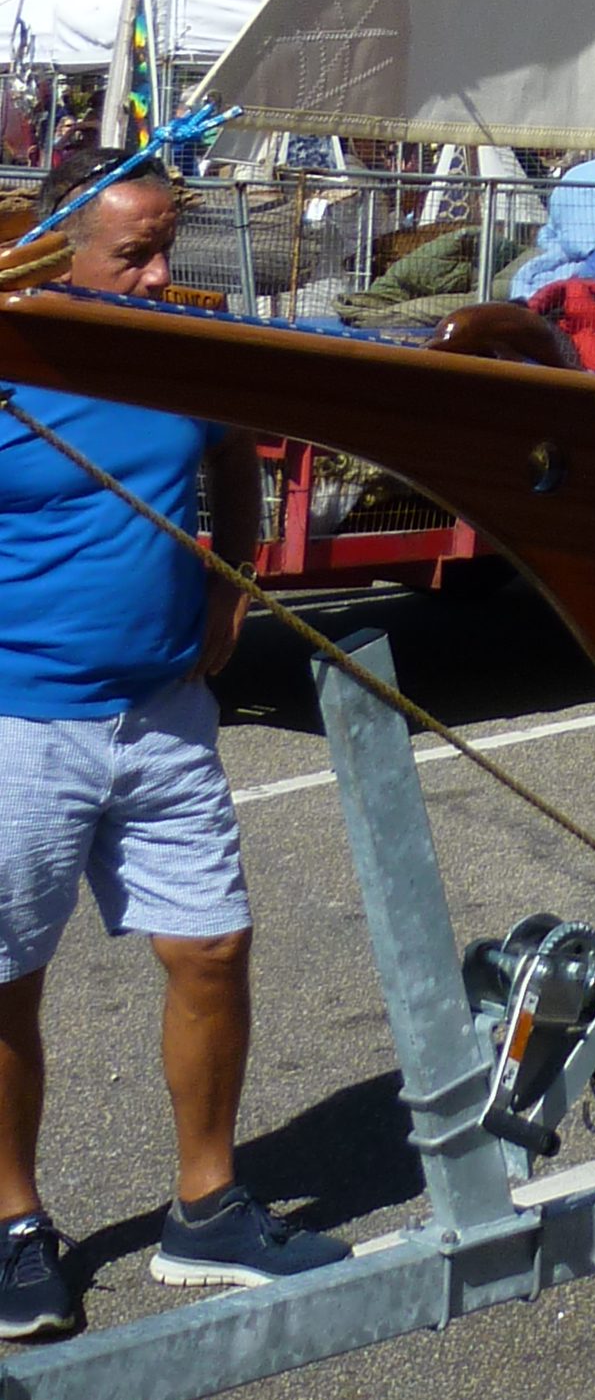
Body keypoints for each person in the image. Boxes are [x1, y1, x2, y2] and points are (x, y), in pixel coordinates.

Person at [0, 168, 353, 1339]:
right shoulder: (12, 361)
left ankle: (206, 1208)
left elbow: (234, 460)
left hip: (165, 713)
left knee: (211, 946)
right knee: (6, 978)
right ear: (56, 253)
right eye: (135, 254)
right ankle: (13, 1226)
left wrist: (228, 586)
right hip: (23, 720)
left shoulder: (178, 348)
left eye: (166, 248)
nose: (161, 274)